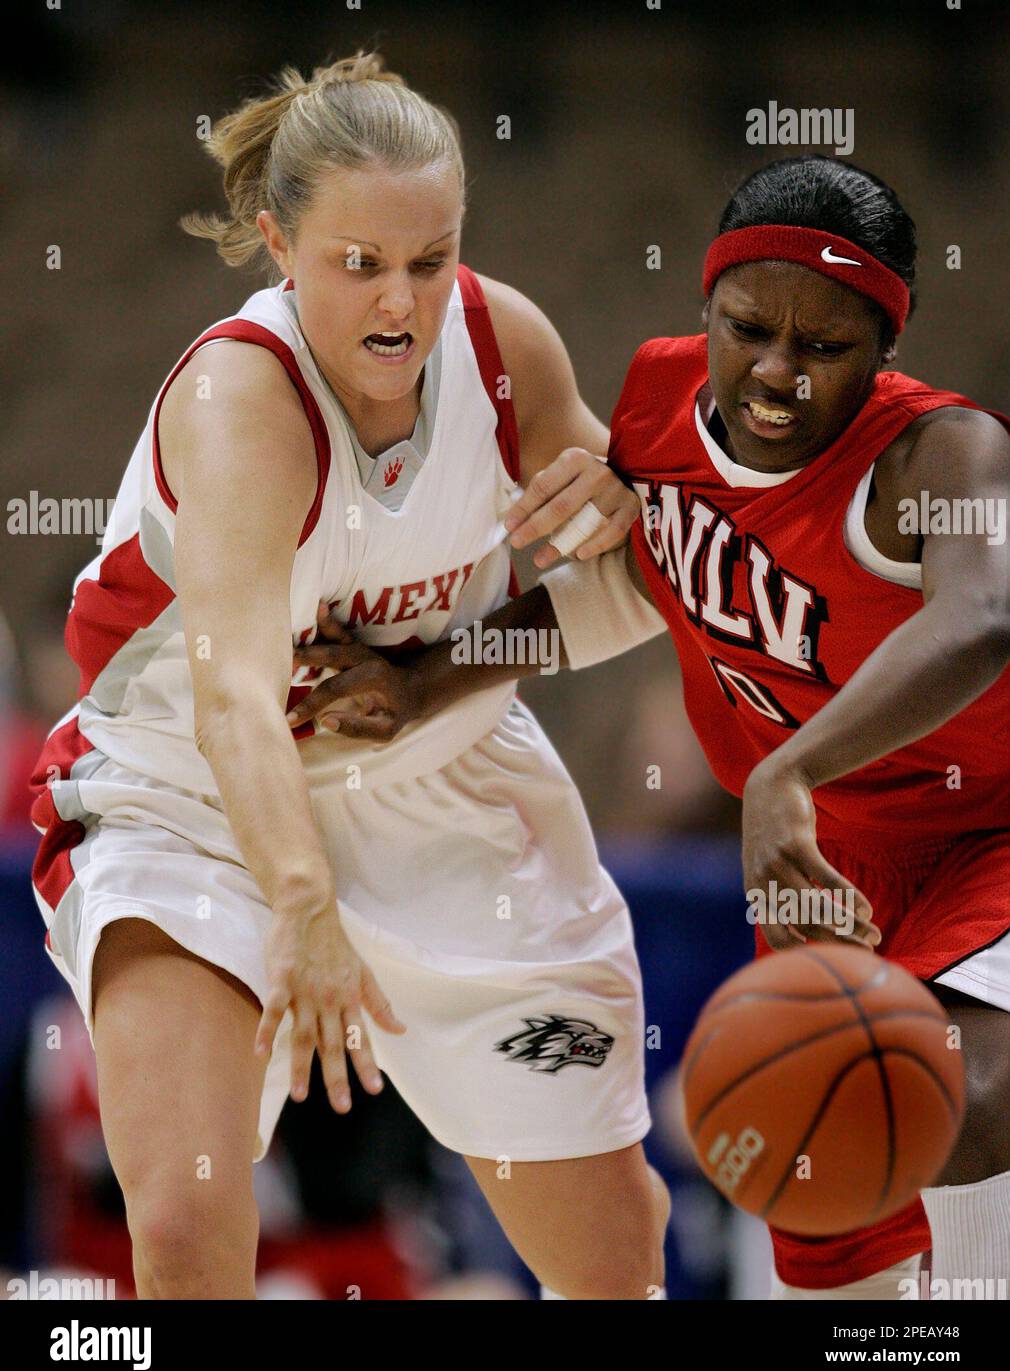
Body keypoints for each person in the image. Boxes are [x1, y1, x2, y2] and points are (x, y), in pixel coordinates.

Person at [292, 156, 1010, 1300]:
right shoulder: (653, 402)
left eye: (824, 347)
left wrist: (789, 766)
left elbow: (985, 614)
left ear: (885, 350)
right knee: (822, 1182)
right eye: (748, 329)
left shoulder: (942, 452)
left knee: (961, 1094)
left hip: (983, 831)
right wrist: (421, 680)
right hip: (828, 862)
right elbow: (630, 586)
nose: (775, 370)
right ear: (703, 308)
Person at [28, 51, 671, 1300]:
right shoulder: (240, 403)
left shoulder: (504, 348)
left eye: (429, 260)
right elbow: (230, 701)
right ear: (279, 242)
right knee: (183, 1221)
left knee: (612, 1256)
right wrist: (305, 902)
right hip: (196, 802)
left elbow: (643, 581)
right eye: (358, 264)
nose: (400, 302)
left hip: (443, 787)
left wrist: (439, 671)